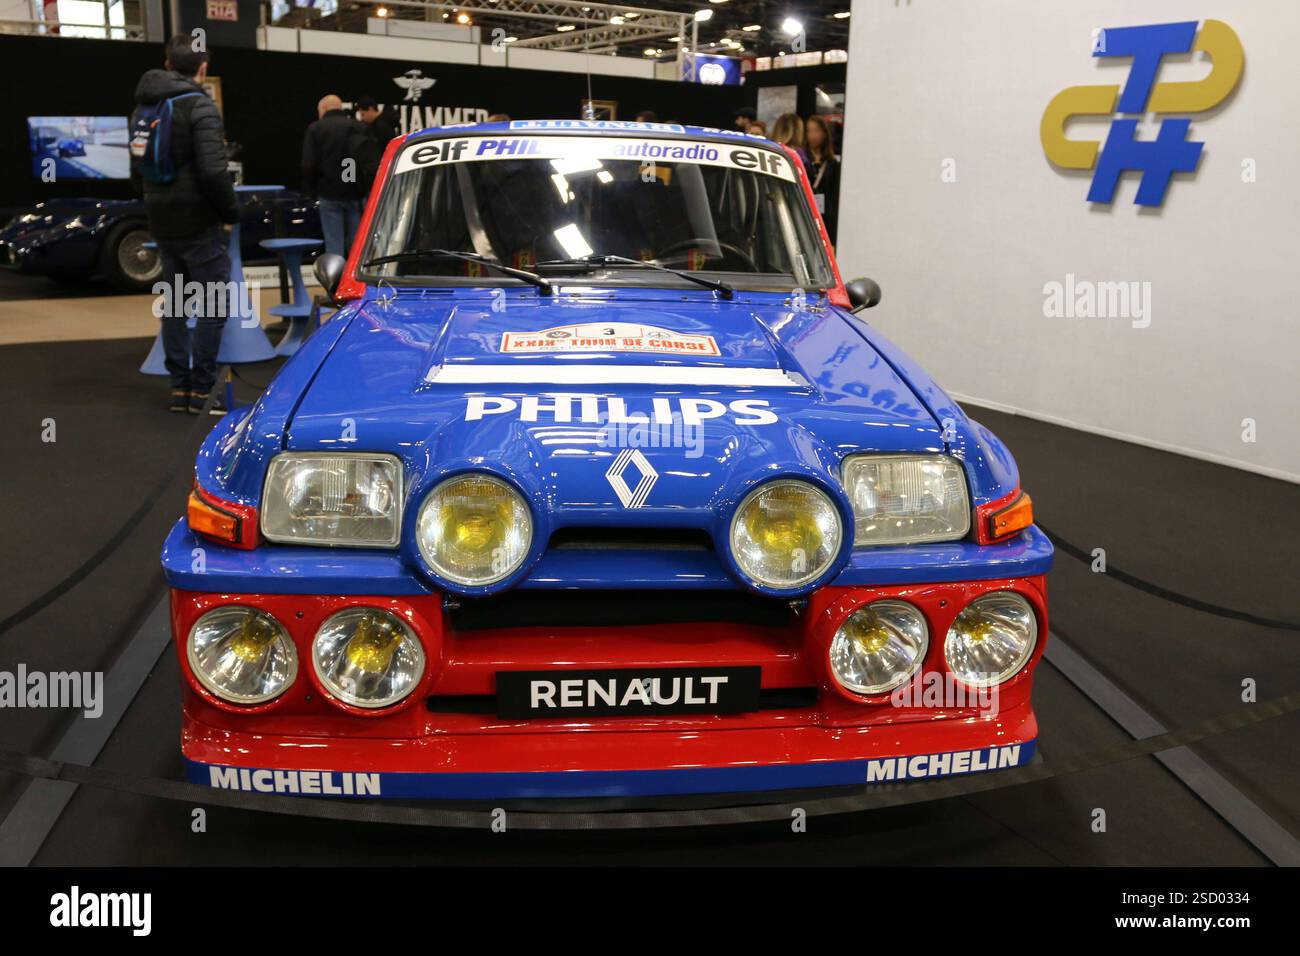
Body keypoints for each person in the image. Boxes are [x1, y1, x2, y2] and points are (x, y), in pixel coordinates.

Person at [131, 34, 238, 415]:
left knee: (175, 302)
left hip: (163, 222)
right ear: (203, 68)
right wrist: (230, 214)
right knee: (212, 304)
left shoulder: (145, 105)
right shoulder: (200, 106)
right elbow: (213, 172)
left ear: (167, 64)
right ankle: (202, 390)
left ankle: (179, 388)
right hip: (199, 224)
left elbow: (138, 168)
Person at [302, 94, 380, 258]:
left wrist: (311, 190)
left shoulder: (316, 128)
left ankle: (336, 283)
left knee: (334, 246)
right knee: (357, 247)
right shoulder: (358, 127)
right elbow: (372, 161)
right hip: (355, 193)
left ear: (323, 109)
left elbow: (309, 165)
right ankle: (357, 282)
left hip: (329, 193)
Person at [804, 114, 841, 245]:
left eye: (816, 130)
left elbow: (834, 194)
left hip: (825, 217)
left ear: (824, 133)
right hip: (804, 212)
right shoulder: (802, 159)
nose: (812, 135)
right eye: (809, 130)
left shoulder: (832, 163)